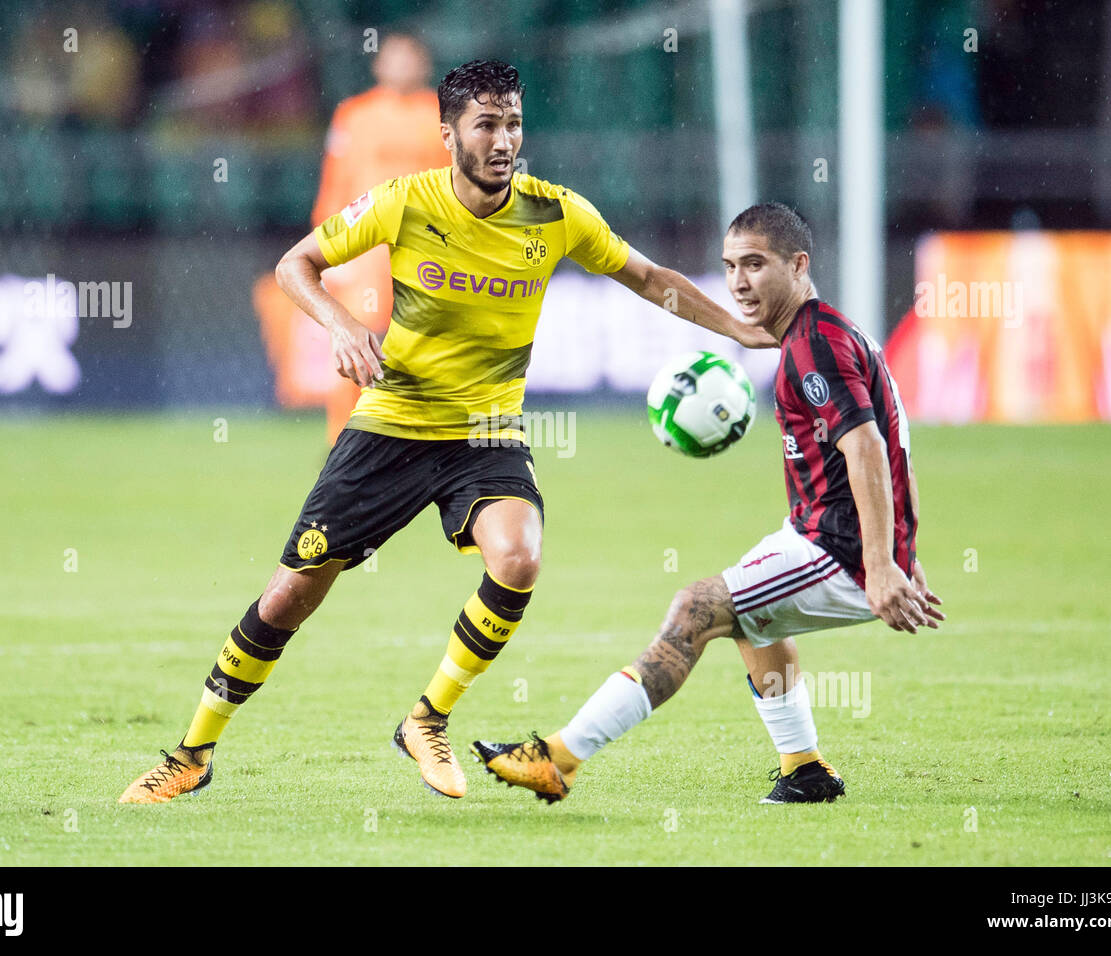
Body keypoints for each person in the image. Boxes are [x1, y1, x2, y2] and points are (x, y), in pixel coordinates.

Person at [118, 60, 777, 804]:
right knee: (287, 597)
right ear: (449, 134)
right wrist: (340, 324)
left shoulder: (556, 214)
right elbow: (295, 264)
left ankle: (426, 720)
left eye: (514, 124)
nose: (504, 141)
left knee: (519, 559)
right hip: (391, 425)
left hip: (486, 429)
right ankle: (193, 753)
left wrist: (740, 332)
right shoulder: (404, 203)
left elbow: (651, 277)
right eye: (487, 125)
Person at [473, 202, 944, 804]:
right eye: (729, 266)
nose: (739, 282)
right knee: (753, 613)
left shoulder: (814, 348)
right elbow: (891, 442)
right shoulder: (826, 331)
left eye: (755, 264)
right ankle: (805, 769)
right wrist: (902, 542)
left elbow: (869, 447)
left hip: (838, 549)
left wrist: (882, 561)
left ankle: (558, 759)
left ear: (799, 265)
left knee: (698, 607)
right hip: (822, 535)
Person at [308, 34, 446, 444]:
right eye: (394, 57)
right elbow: (335, 185)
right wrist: (327, 249)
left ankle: (428, 443)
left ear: (424, 65)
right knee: (356, 343)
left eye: (410, 58)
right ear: (378, 64)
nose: (401, 66)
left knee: (427, 348)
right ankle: (343, 442)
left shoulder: (442, 115)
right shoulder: (353, 115)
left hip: (426, 249)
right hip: (365, 253)